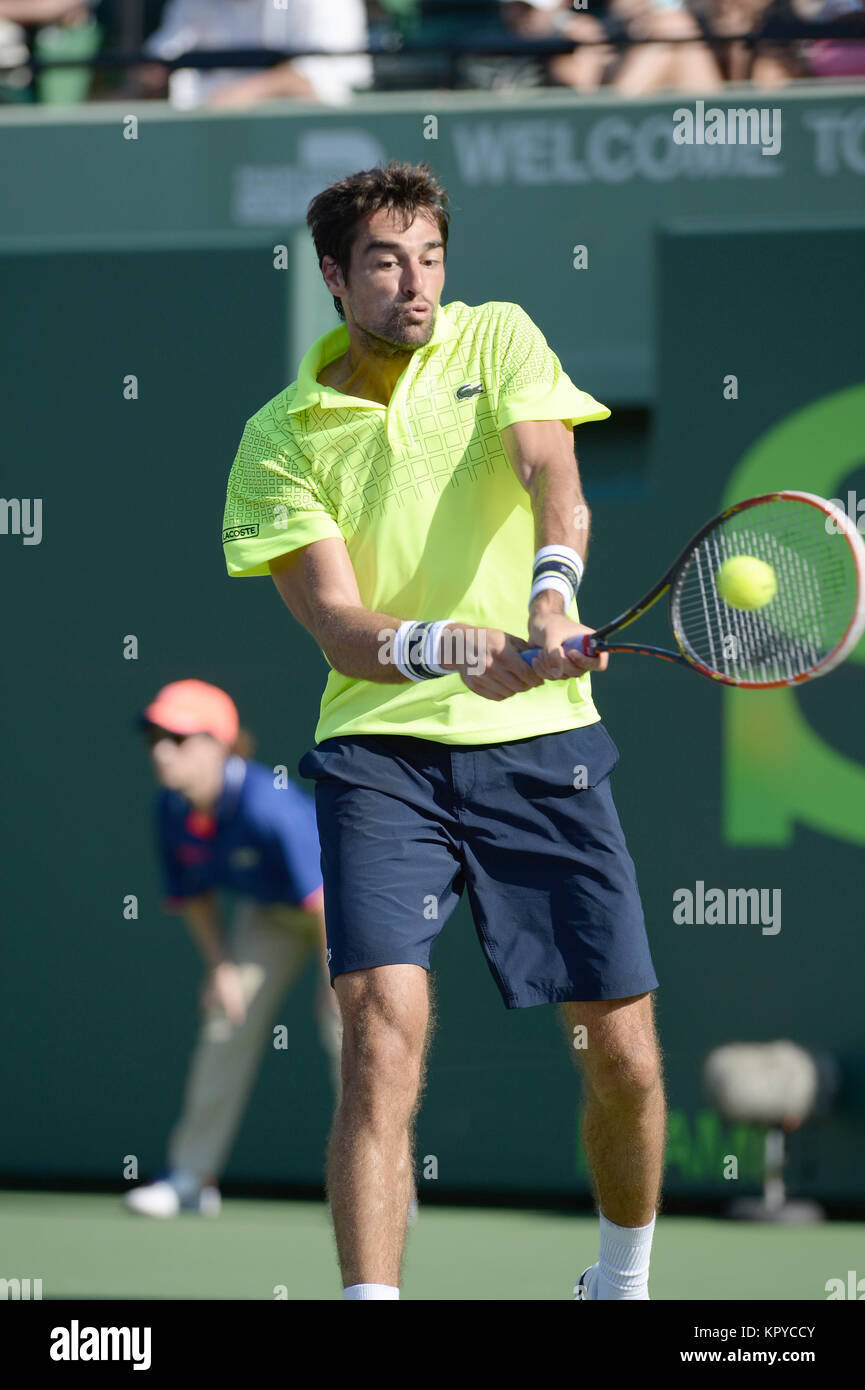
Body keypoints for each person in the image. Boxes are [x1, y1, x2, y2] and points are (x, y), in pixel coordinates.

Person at [220, 161, 664, 1300]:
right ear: (333, 275)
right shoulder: (281, 437)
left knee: (622, 1057)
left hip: (544, 747)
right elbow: (338, 626)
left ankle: (619, 1279)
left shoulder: (499, 337)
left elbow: (550, 472)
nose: (414, 283)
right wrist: (456, 645)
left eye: (429, 257)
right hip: (382, 760)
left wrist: (550, 595)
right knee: (377, 1040)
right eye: (383, 260)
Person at [125, 678, 341, 1218]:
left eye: (177, 739)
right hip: (267, 915)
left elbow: (322, 902)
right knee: (226, 1020)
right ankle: (192, 1178)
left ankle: (385, 1185)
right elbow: (193, 896)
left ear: (218, 745)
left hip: (335, 910)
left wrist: (334, 984)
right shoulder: (170, 810)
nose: (161, 752)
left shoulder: (268, 807)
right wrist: (220, 967)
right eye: (156, 739)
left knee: (348, 1033)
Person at [134, 0, 372, 110]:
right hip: (204, 152)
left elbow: (313, 82)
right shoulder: (191, 5)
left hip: (306, 154)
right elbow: (153, 69)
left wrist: (218, 105)